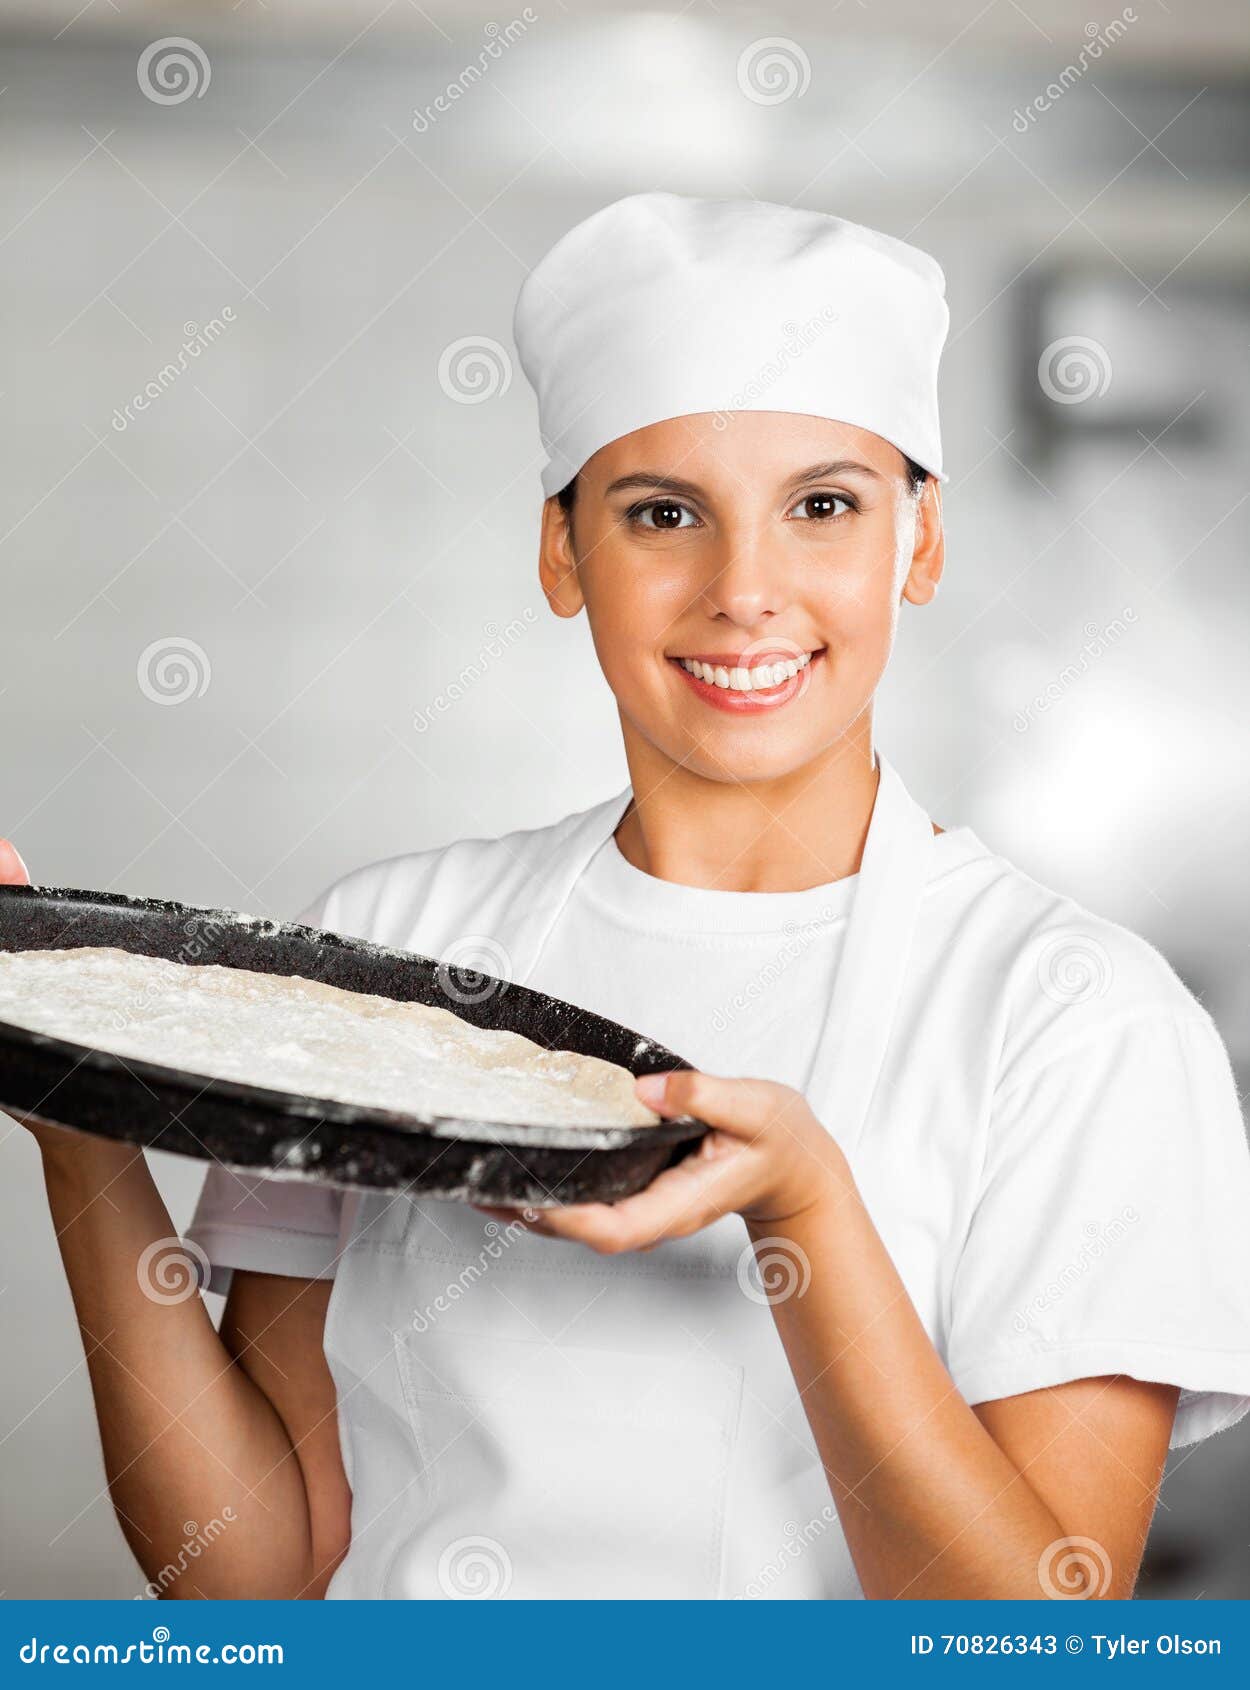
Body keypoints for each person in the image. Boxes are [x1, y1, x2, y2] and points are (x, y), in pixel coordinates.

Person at [9, 192, 1250, 1602]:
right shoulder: (392, 946)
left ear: (918, 542)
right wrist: (73, 1090)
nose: (743, 590)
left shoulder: (1074, 1017)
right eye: (663, 513)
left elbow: (1042, 1639)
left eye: (823, 507)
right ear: (561, 553)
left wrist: (803, 1213)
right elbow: (255, 1571)